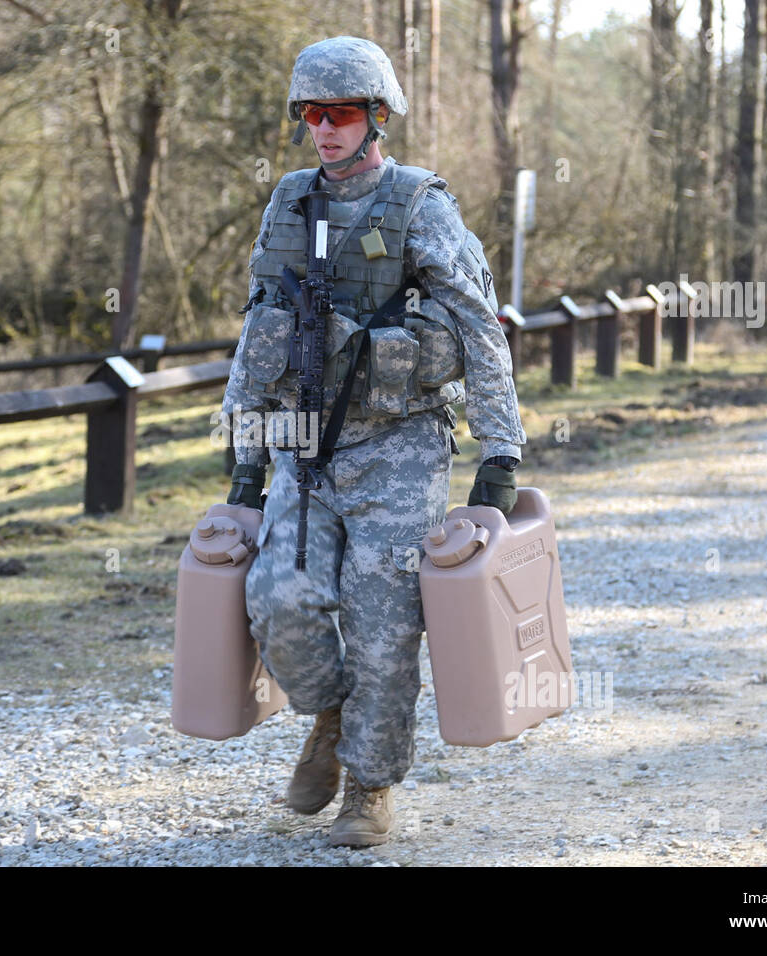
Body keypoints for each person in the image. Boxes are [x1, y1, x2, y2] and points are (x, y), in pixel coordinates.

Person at [219, 35, 526, 848]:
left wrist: (501, 453)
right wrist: (245, 457)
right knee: (277, 601)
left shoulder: (421, 203)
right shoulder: (288, 201)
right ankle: (328, 715)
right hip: (300, 441)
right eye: (313, 115)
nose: (325, 129)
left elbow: (479, 328)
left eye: (342, 114)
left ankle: (370, 789)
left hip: (400, 446)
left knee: (384, 627)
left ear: (377, 116)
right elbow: (258, 331)